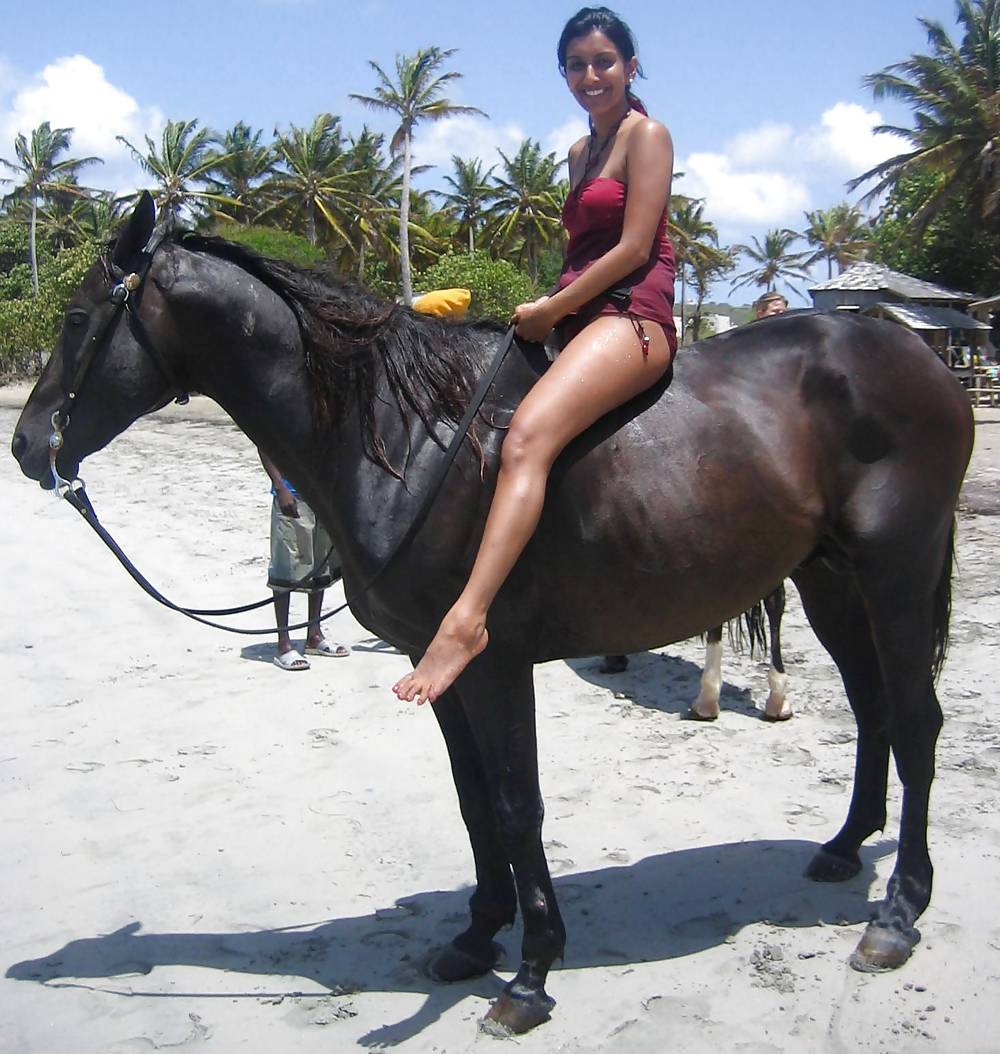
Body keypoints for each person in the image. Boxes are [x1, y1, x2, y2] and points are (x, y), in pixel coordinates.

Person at [394, 6, 677, 705]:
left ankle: (467, 621)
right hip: (576, 311)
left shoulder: (647, 136)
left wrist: (552, 311)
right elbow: (580, 253)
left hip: (630, 314)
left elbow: (632, 249)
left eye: (603, 62)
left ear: (631, 67)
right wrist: (547, 305)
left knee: (526, 439)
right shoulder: (579, 153)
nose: (590, 75)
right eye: (576, 65)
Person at [259, 451, 349, 670]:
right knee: (286, 568)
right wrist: (280, 487)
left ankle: (314, 634)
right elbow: (265, 444)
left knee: (320, 565)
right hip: (291, 494)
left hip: (321, 492)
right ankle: (283, 643)